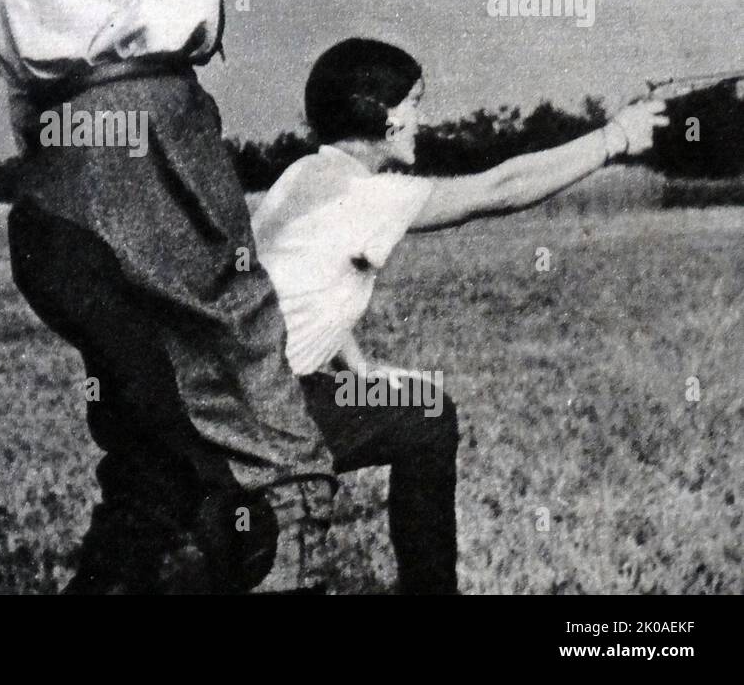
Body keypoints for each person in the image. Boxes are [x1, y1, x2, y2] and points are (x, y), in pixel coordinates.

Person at [0, 0, 562, 593]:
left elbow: (24, 66)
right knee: (238, 444)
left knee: (159, 458)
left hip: (73, 179)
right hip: (137, 162)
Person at [251, 38, 668, 593]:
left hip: (245, 392)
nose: (421, 120)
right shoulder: (367, 193)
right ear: (383, 113)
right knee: (427, 418)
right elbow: (501, 188)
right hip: (270, 412)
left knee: (422, 411)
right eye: (414, 103)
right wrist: (613, 139)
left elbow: (298, 292)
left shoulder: (302, 176)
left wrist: (361, 371)